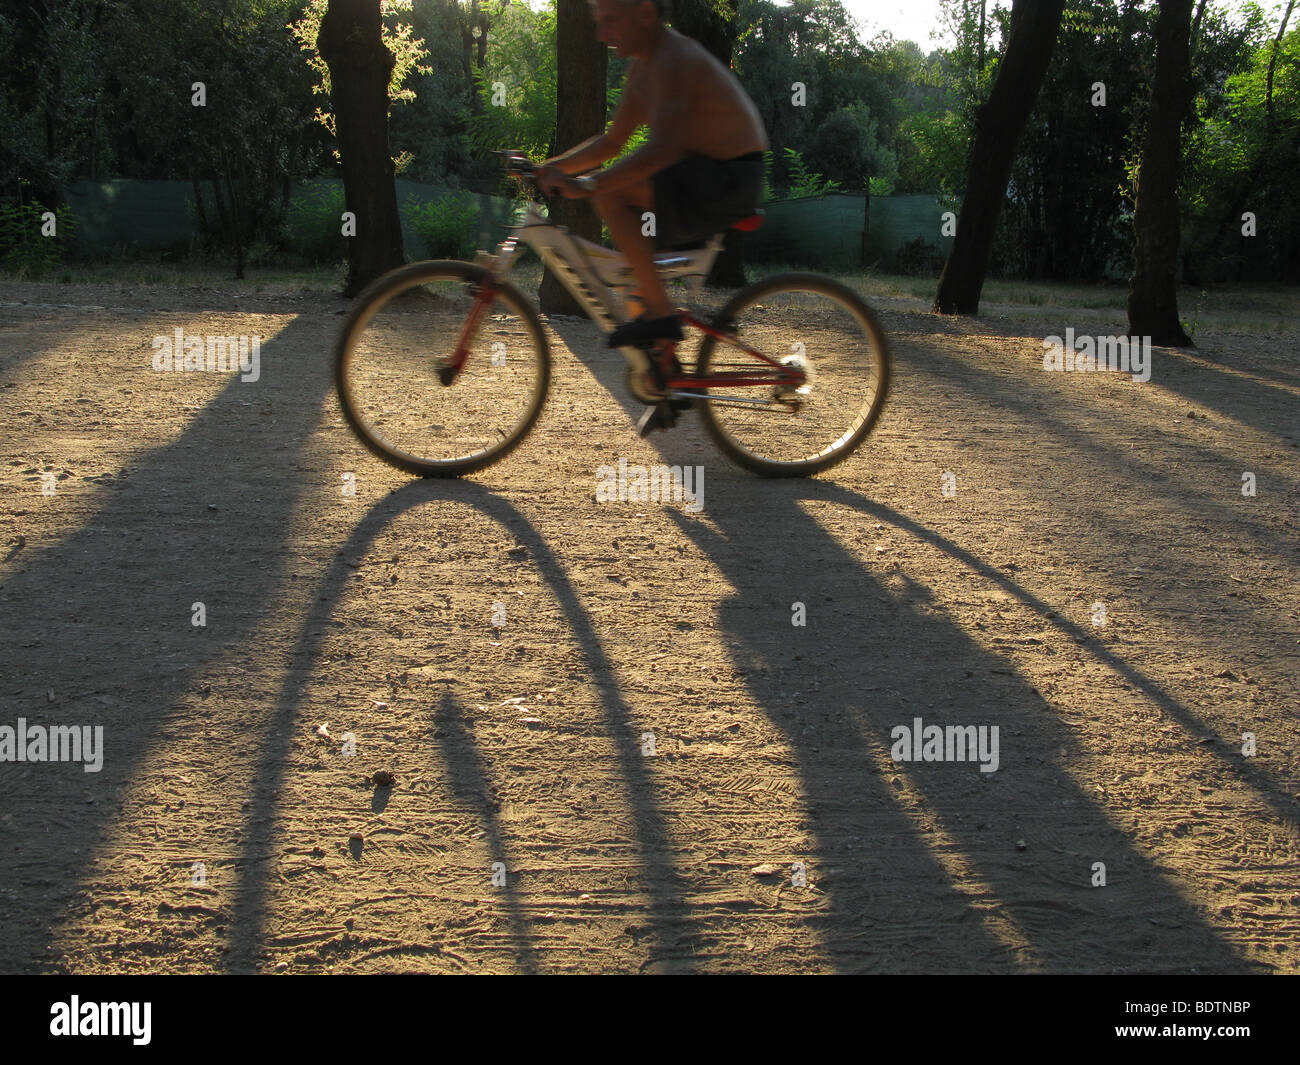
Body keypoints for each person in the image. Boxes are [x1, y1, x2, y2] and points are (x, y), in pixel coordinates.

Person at [535, 0, 768, 350]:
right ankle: (663, 376)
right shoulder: (645, 68)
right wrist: (550, 169)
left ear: (645, 12)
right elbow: (612, 142)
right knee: (631, 272)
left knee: (609, 195)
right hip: (703, 176)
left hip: (729, 179)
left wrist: (588, 185)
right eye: (599, 22)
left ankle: (661, 316)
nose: (601, 34)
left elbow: (663, 150)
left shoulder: (674, 58)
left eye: (610, 20)